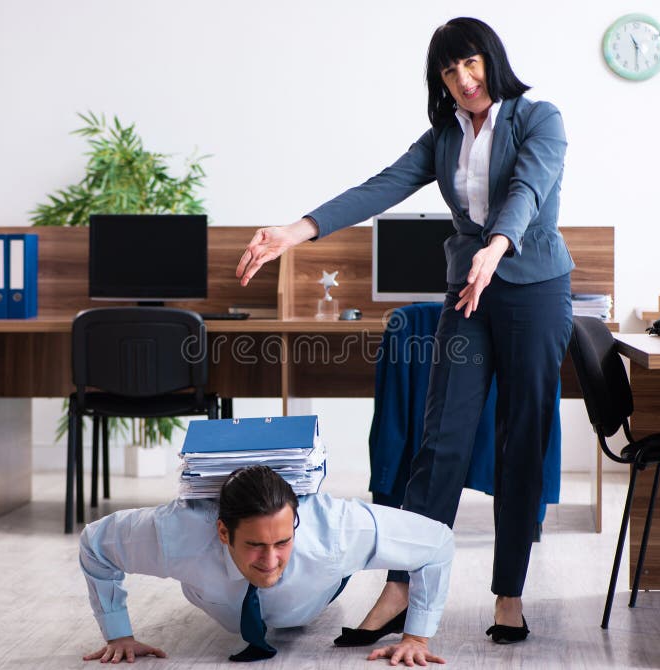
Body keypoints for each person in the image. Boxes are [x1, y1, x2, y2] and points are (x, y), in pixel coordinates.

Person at [236, 17, 573, 645]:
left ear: (492, 59)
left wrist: (498, 245)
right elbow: (381, 188)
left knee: (521, 439)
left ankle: (509, 593)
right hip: (468, 292)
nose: (463, 79)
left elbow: (530, 189)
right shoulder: (443, 137)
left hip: (533, 290)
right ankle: (401, 587)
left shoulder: (538, 118)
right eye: (449, 70)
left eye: (471, 63)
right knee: (439, 440)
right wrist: (294, 231)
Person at [79, 465, 453, 665]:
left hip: (316, 593)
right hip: (217, 601)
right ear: (223, 532)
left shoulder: (336, 531)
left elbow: (437, 542)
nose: (271, 561)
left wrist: (416, 637)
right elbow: (94, 545)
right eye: (255, 545)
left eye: (282, 542)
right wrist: (118, 635)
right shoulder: (174, 535)